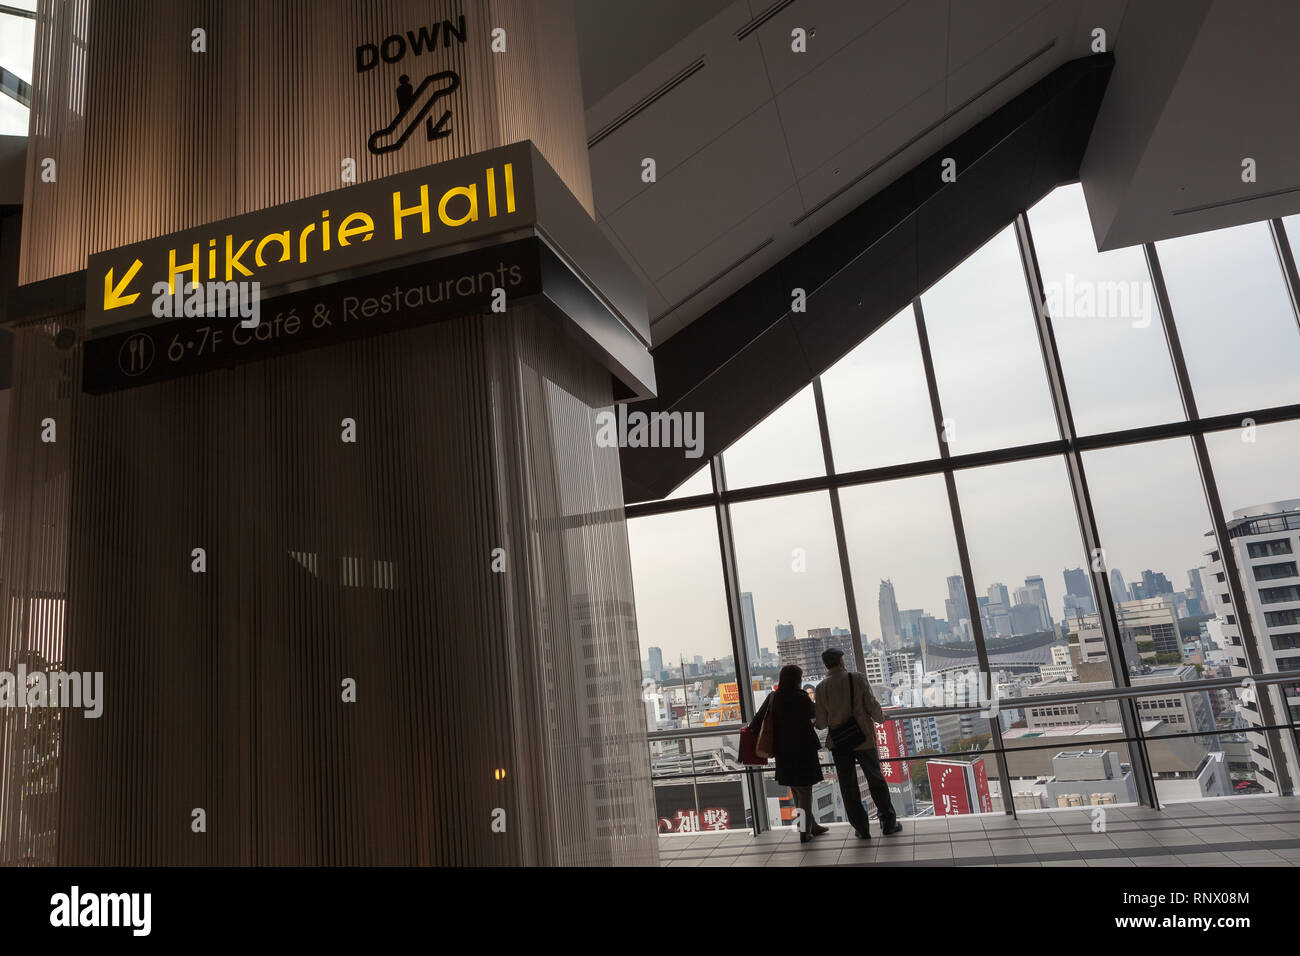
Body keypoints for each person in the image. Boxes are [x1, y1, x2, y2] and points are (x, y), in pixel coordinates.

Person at [814, 648, 902, 838]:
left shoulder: (821, 688)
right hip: (863, 737)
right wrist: (881, 718)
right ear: (841, 661)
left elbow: (820, 722)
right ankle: (888, 822)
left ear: (825, 664)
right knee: (875, 779)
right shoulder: (857, 678)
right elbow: (871, 704)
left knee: (848, 785)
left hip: (839, 742)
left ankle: (862, 829)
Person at [748, 664, 829, 842]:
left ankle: (810, 826)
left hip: (783, 752)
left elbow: (755, 723)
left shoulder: (773, 697)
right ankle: (804, 832)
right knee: (805, 792)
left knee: (797, 792)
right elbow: (816, 715)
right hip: (804, 750)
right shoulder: (801, 698)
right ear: (797, 680)